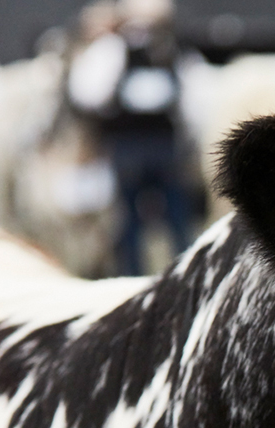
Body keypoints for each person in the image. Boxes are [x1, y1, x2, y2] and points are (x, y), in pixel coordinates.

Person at [66, 0, 195, 276]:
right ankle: (136, 274)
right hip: (130, 145)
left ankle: (182, 273)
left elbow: (191, 98)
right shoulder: (115, 50)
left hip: (158, 146)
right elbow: (87, 92)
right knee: (131, 220)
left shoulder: (169, 50)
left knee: (172, 217)